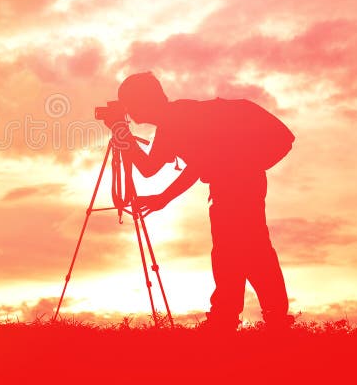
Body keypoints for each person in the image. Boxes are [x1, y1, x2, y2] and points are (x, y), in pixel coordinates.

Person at [116, 71, 295, 331]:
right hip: (236, 183)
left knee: (242, 251)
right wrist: (162, 198)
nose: (128, 111)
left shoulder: (179, 119)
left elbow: (165, 167)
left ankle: (238, 317)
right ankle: (254, 316)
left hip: (238, 184)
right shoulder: (174, 120)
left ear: (144, 101)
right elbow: (171, 167)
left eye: (129, 103)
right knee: (242, 250)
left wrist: (121, 133)